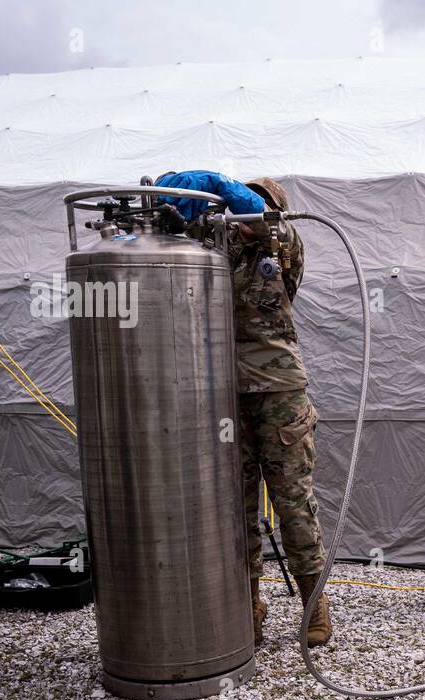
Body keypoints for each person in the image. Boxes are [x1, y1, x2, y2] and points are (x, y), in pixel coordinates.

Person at [155, 170, 331, 647]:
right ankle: (247, 607)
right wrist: (173, 212)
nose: (243, 219)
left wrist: (228, 188)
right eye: (240, 211)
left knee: (294, 504)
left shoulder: (283, 245)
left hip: (279, 394)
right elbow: (175, 241)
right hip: (221, 395)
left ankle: (315, 609)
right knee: (235, 511)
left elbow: (272, 225)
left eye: (258, 207)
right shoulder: (220, 248)